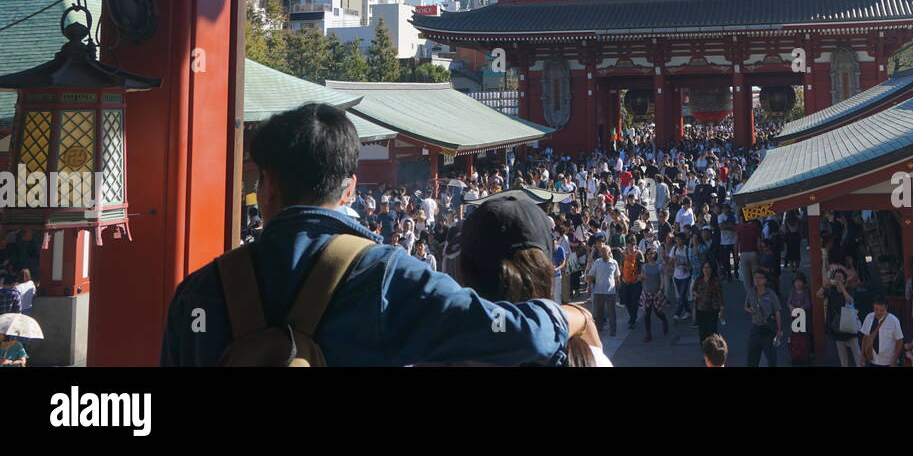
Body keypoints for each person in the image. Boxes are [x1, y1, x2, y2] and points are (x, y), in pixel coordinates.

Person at [160, 103, 601, 366]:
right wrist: (571, 315)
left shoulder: (199, 291)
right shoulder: (388, 276)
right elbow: (525, 335)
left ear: (267, 185)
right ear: (351, 187)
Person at [460, 192, 610, 367]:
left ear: (464, 275)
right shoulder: (582, 357)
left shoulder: (443, 351)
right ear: (545, 269)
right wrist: (578, 316)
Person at [819, 268, 864, 367]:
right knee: (841, 353)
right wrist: (825, 285)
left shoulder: (849, 289)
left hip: (849, 324)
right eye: (836, 277)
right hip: (837, 324)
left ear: (844, 279)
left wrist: (842, 287)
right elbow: (819, 295)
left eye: (840, 277)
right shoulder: (831, 290)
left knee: (856, 350)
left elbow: (849, 300)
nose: (838, 279)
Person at [744, 268, 783, 367]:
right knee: (752, 357)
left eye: (760, 278)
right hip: (755, 327)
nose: (757, 280)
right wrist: (749, 310)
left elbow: (777, 311)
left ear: (765, 280)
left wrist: (779, 329)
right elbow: (746, 306)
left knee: (771, 357)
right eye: (755, 277)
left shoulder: (771, 294)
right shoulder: (750, 291)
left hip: (768, 328)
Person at [586, 243, 621, 338]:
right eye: (602, 251)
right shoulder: (597, 262)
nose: (603, 252)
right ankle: (598, 329)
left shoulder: (614, 263)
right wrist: (589, 286)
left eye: (605, 251)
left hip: (611, 292)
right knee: (598, 312)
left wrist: (618, 287)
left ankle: (613, 330)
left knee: (611, 313)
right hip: (598, 291)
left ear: (609, 252)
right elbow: (591, 275)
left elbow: (617, 276)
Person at [860, 296, 904, 368]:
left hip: (888, 362)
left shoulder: (894, 321)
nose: (878, 312)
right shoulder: (869, 317)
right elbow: (865, 338)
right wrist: (862, 356)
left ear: (886, 308)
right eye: (876, 309)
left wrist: (894, 360)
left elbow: (899, 341)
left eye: (881, 310)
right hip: (872, 360)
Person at [640, 249, 671, 341]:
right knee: (647, 314)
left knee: (658, 312)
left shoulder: (659, 266)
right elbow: (641, 279)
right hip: (647, 293)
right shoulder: (644, 266)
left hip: (657, 292)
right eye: (648, 254)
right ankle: (648, 333)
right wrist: (641, 277)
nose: (650, 256)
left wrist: (661, 290)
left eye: (652, 254)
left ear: (655, 255)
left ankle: (664, 321)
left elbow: (662, 280)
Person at [692, 260, 724, 343]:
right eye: (704, 267)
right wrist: (696, 294)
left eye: (708, 267)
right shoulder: (699, 279)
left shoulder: (715, 280)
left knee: (712, 330)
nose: (706, 270)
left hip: (712, 308)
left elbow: (719, 294)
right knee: (702, 330)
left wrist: (721, 307)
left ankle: (713, 346)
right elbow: (693, 290)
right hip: (700, 308)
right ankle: (704, 346)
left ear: (712, 269)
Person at [787, 271, 813, 365]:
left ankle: (806, 355)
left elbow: (808, 304)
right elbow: (789, 303)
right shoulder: (792, 291)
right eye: (796, 281)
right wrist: (792, 309)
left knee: (805, 336)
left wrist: (799, 309)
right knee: (795, 335)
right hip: (795, 317)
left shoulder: (806, 291)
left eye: (800, 281)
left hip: (804, 317)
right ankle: (795, 354)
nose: (798, 283)